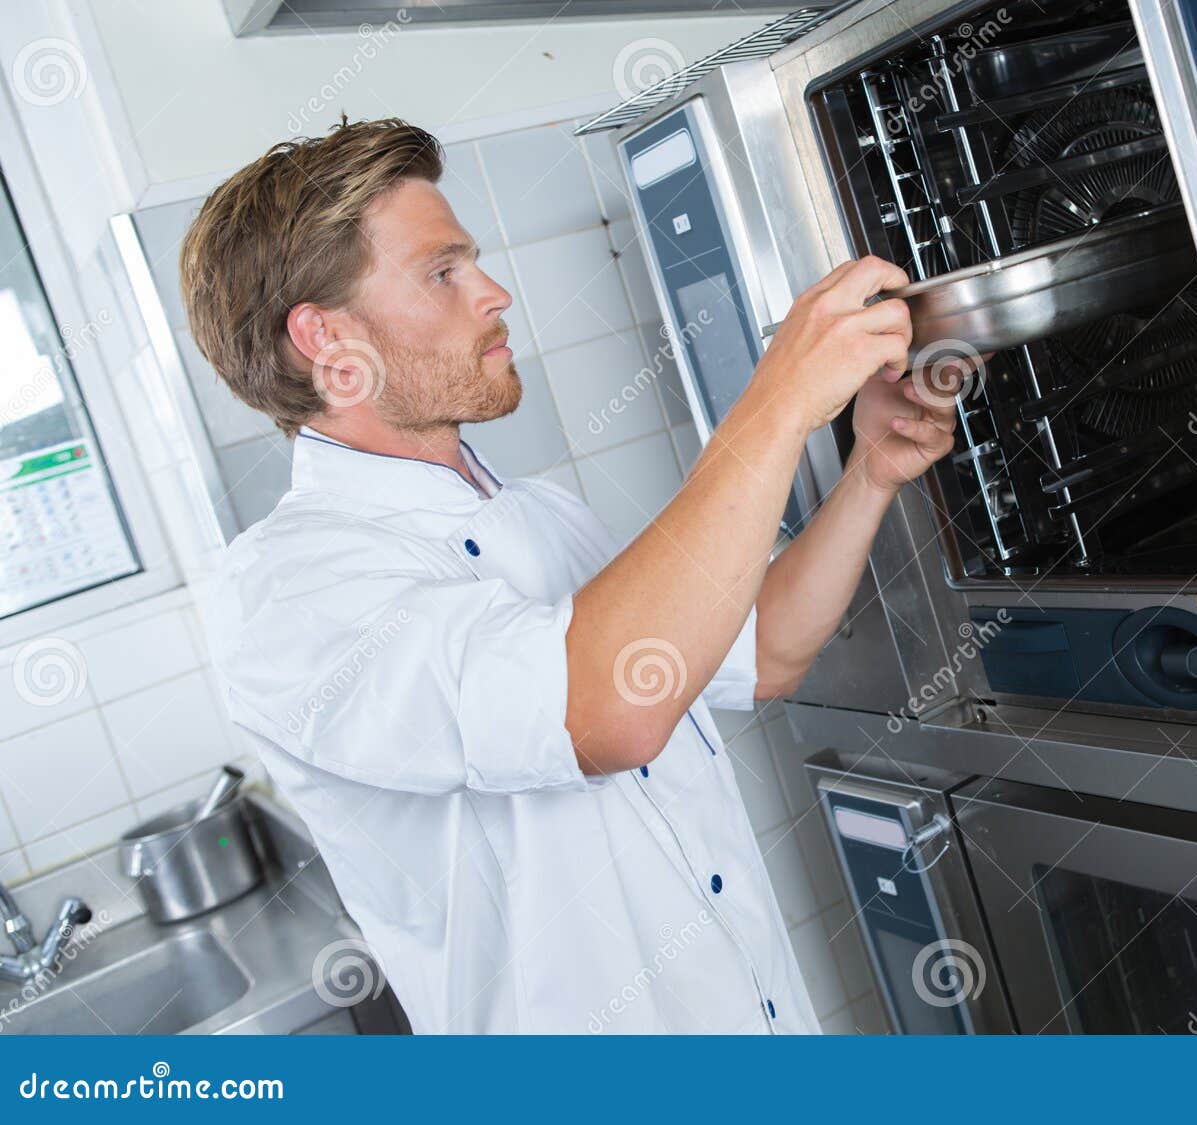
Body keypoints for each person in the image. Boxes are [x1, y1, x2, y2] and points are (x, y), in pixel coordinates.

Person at [182, 116, 957, 1033]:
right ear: (324, 337)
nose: (494, 292)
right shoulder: (287, 587)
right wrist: (778, 398)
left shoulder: (538, 513)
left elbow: (767, 649)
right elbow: (607, 710)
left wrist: (868, 471)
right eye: (444, 272)